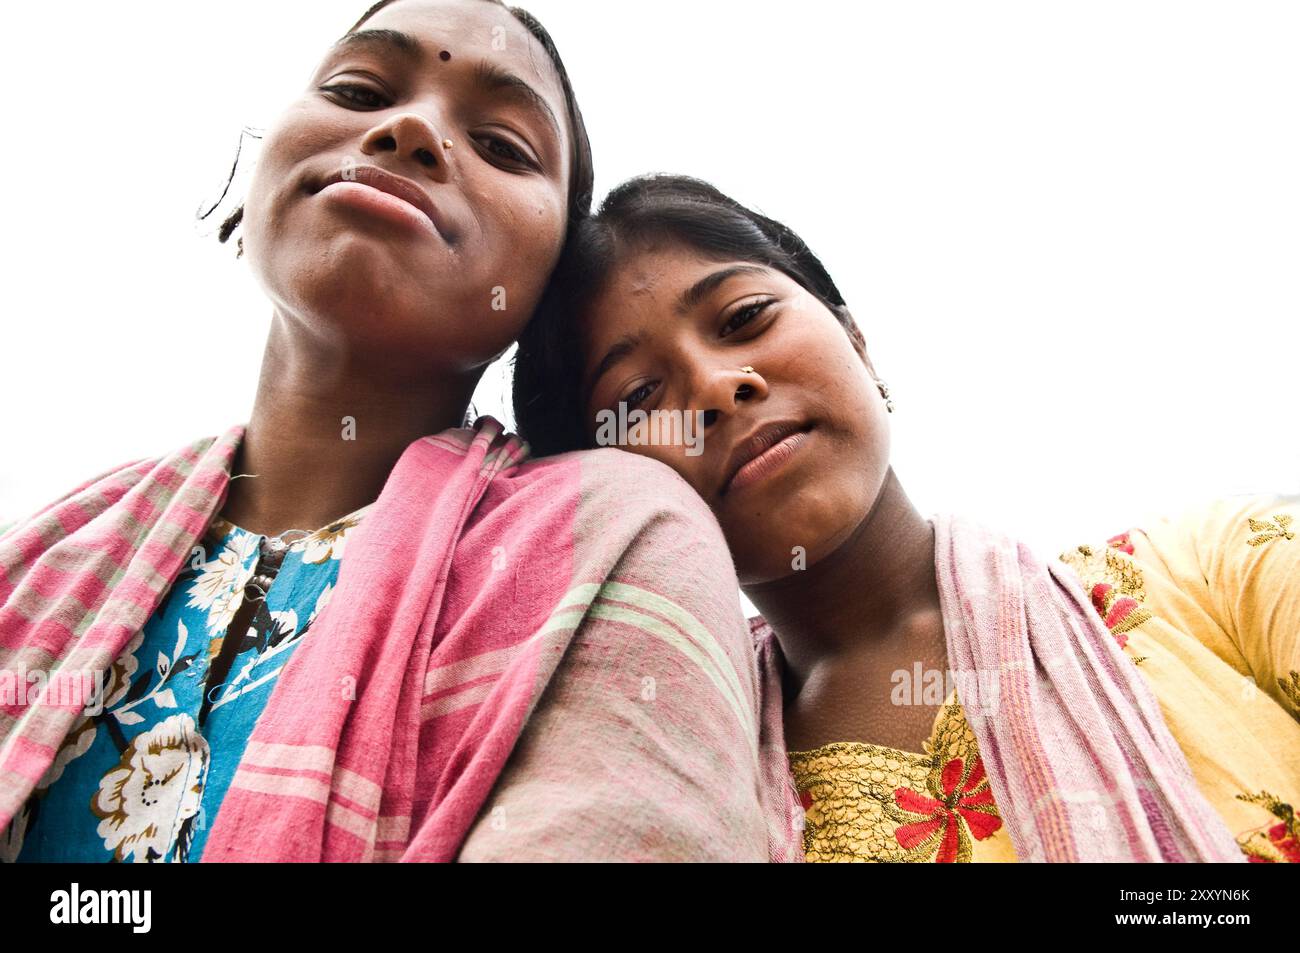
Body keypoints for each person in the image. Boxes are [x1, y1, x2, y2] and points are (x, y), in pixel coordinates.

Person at [0, 7, 798, 863]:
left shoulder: (617, 540)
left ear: (547, 287)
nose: (412, 126)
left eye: (502, 145)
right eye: (356, 90)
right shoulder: (42, 559)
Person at [512, 174, 1300, 862]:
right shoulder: (689, 808)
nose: (718, 387)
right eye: (640, 398)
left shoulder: (1213, 572)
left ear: (859, 340)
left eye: (745, 316)